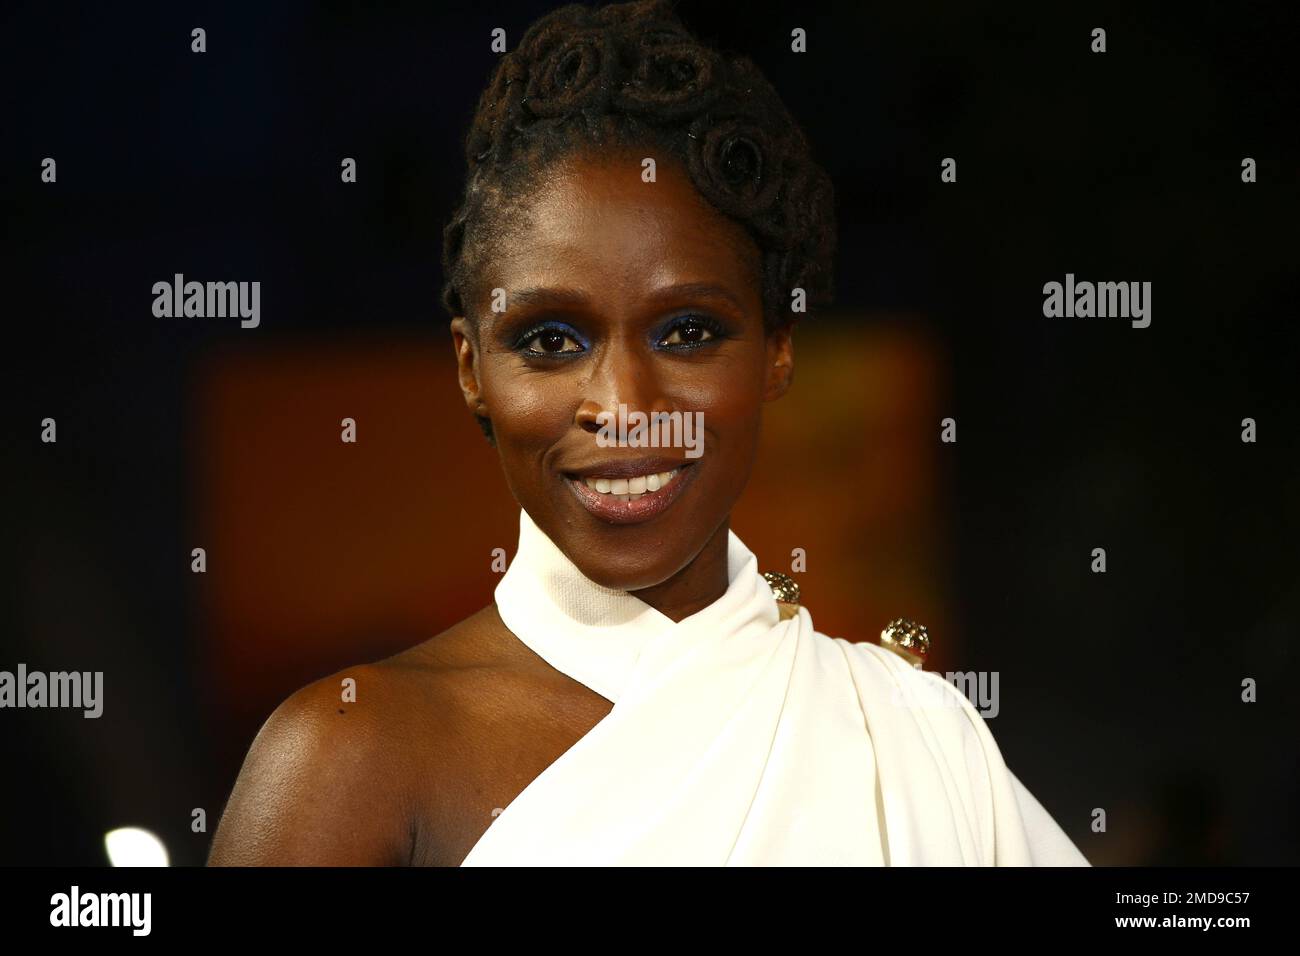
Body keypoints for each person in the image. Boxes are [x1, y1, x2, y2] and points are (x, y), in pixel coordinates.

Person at [208, 0, 1089, 866]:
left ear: (779, 349)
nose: (625, 402)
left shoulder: (917, 739)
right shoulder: (349, 756)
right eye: (552, 340)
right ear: (473, 367)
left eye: (688, 333)